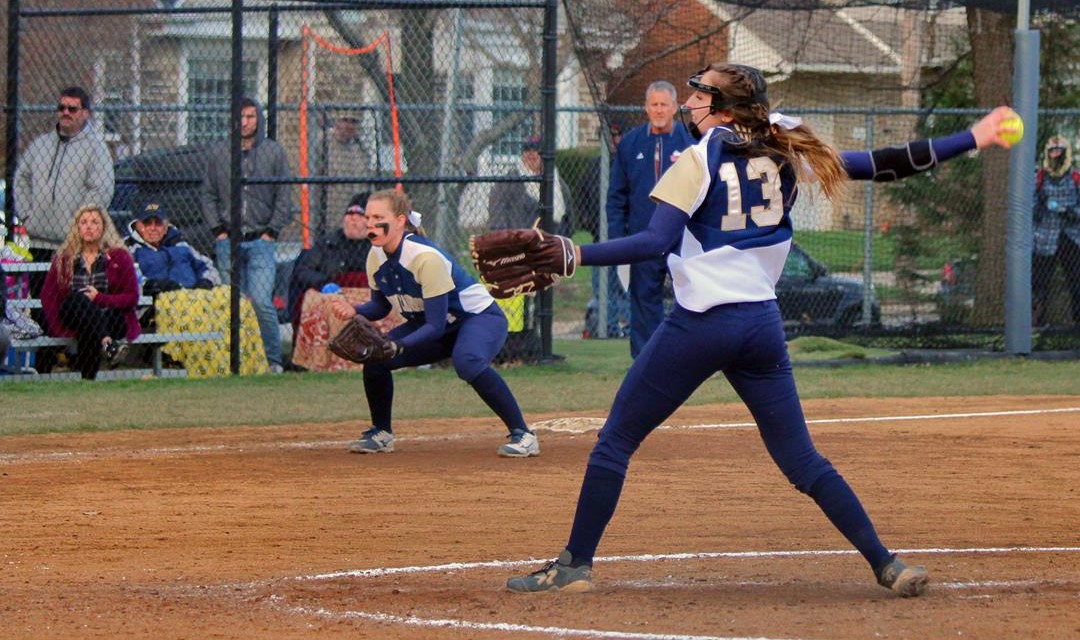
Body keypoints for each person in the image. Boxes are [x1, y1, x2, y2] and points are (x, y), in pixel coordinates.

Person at [504, 63, 1018, 596]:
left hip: (701, 325)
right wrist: (974, 137)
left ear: (725, 110)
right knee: (802, 461)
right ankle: (887, 564)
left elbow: (653, 243)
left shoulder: (698, 159)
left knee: (615, 441)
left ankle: (574, 566)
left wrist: (575, 253)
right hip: (761, 326)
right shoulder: (785, 146)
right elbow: (885, 162)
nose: (689, 102)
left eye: (700, 94)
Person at [328, 188, 540, 457]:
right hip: (433, 323)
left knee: (468, 362)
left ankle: (523, 434)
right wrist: (354, 310)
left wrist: (399, 345)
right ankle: (381, 433)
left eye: (378, 218)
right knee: (376, 358)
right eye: (368, 217)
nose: (370, 224)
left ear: (400, 221)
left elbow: (435, 326)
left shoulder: (424, 257)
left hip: (477, 318)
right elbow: (381, 306)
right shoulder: (375, 256)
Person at [201, 96, 294, 373]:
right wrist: (217, 230)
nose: (244, 122)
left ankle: (273, 360)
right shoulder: (219, 153)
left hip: (261, 239)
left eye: (250, 117)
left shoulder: (273, 152)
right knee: (232, 302)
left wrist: (272, 231)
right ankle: (236, 359)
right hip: (228, 239)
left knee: (262, 302)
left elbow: (284, 195)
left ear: (259, 119)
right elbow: (208, 194)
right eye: (240, 117)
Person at [607, 81, 695, 358]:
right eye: (654, 104)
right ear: (646, 108)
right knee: (644, 299)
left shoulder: (691, 143)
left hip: (683, 238)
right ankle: (646, 361)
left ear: (674, 107)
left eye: (664, 105)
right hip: (643, 237)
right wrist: (618, 239)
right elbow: (617, 196)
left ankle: (689, 357)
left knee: (691, 297)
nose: (659, 110)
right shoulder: (631, 143)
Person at [289, 192, 403, 372]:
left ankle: (386, 357)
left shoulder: (380, 246)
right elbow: (304, 270)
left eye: (359, 216)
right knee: (325, 304)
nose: (353, 220)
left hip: (371, 294)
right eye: (349, 214)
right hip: (333, 293)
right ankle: (321, 362)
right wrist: (323, 284)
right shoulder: (328, 243)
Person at [487, 136, 573, 361]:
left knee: (542, 304)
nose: (532, 155)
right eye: (528, 150)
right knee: (520, 305)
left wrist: (562, 248)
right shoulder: (510, 182)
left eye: (537, 151)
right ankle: (515, 350)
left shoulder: (556, 183)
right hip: (518, 250)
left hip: (547, 252)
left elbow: (567, 218)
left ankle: (540, 349)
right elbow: (497, 218)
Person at [40, 204, 140, 380]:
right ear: (77, 227)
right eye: (84, 222)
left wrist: (100, 298)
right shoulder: (64, 258)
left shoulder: (120, 256)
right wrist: (58, 328)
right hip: (73, 314)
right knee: (77, 299)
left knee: (89, 326)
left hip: (109, 316)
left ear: (104, 227)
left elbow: (132, 297)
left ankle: (88, 382)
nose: (88, 227)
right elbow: (47, 296)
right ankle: (107, 344)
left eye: (94, 222)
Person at [13, 86, 115, 255]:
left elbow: (101, 190)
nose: (66, 112)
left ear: (85, 113)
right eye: (62, 108)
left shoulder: (96, 148)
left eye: (72, 109)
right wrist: (26, 215)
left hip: (74, 244)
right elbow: (21, 179)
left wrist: (79, 223)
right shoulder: (40, 144)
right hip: (37, 241)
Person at [575, 118, 630, 339]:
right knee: (603, 288)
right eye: (609, 136)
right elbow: (582, 200)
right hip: (601, 238)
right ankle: (608, 328)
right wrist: (592, 225)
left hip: (627, 238)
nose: (614, 140)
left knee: (627, 287)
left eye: (617, 135)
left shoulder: (631, 164)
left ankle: (629, 328)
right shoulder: (594, 167)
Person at [1031, 135, 1080, 326]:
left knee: (1076, 281)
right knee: (1038, 284)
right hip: (1044, 238)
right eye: (1052, 151)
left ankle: (1077, 324)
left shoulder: (1075, 177)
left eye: (1059, 151)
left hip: (1071, 237)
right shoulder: (1039, 177)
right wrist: (1041, 206)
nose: (1056, 155)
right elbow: (1030, 204)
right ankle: (1035, 324)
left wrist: (1071, 212)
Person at [126, 201, 220, 296]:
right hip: (155, 299)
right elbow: (127, 279)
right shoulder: (129, 248)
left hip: (193, 297)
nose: (153, 228)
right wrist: (155, 285)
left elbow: (208, 267)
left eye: (158, 223)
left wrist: (206, 281)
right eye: (148, 223)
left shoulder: (181, 243)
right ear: (139, 226)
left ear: (166, 226)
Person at [312, 113, 371, 240]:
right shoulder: (324, 142)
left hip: (356, 212)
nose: (349, 126)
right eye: (345, 120)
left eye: (353, 122)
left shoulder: (360, 147)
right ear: (337, 121)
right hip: (331, 211)